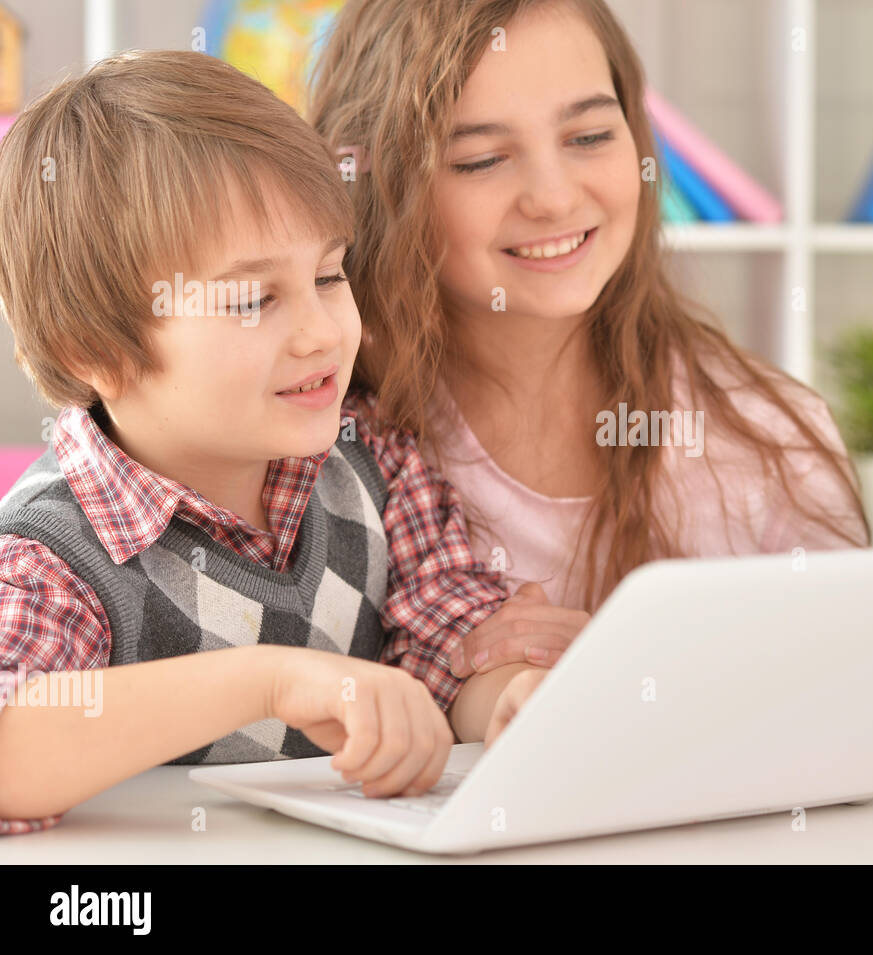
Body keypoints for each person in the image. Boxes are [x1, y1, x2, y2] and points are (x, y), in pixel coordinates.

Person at [0, 51, 584, 834]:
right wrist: (271, 682)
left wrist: (509, 698)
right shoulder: (50, 552)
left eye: (330, 276)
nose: (321, 330)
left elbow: (451, 646)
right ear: (94, 352)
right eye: (253, 298)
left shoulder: (372, 464)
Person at [311, 0, 871, 682]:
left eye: (588, 138)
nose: (551, 197)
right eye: (481, 159)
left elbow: (850, 695)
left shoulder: (767, 438)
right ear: (375, 185)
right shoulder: (326, 445)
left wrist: (625, 666)